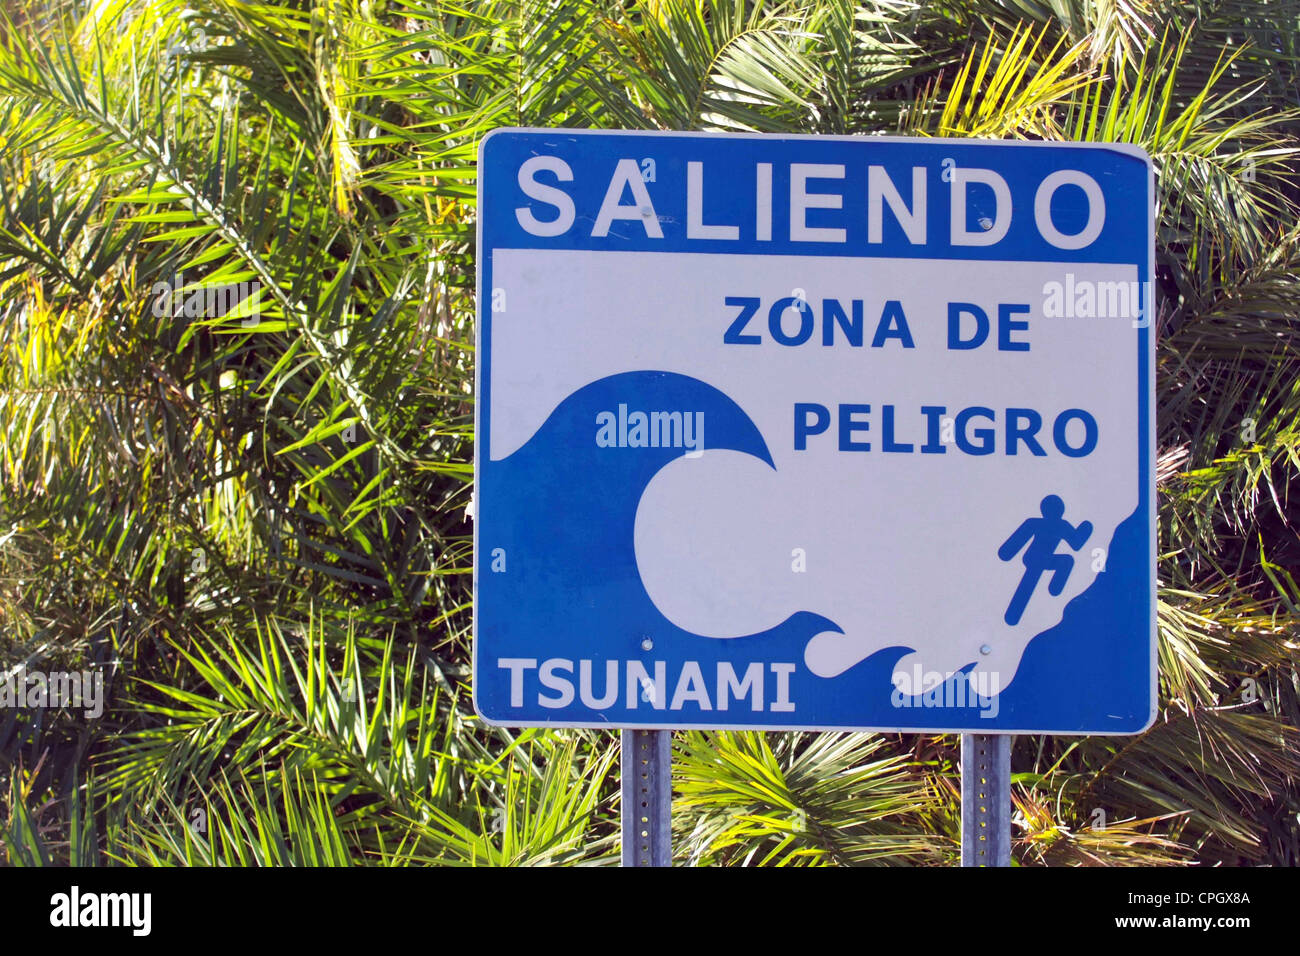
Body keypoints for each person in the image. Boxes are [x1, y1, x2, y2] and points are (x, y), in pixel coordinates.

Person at [997, 495, 1093, 626]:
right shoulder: (1054, 524)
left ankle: (1055, 587)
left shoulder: (1052, 524)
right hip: (1038, 558)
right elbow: (1076, 543)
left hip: (1039, 558)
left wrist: (1085, 528)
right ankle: (1054, 588)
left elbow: (1076, 543)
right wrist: (1085, 528)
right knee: (1062, 563)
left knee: (1065, 561)